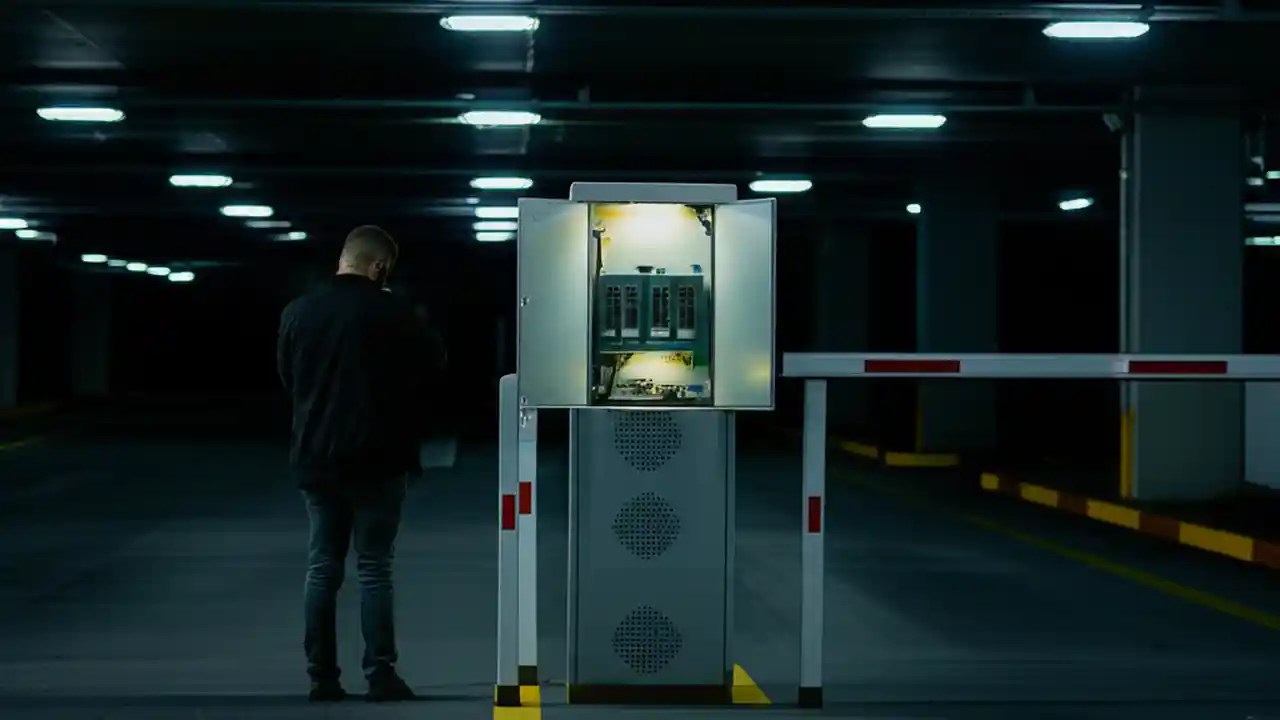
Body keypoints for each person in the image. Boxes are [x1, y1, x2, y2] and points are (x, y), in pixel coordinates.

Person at [276, 225, 441, 703]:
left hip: (317, 459)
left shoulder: (298, 312)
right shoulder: (395, 313)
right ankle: (381, 674)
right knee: (374, 568)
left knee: (322, 567)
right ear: (380, 267)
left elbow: (290, 379)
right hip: (379, 459)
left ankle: (322, 677)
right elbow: (433, 366)